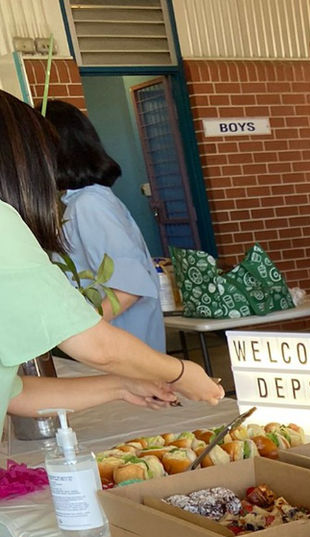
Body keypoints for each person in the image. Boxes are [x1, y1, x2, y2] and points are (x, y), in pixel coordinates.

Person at [0, 90, 223, 422]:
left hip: (124, 350)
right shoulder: (5, 225)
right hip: (109, 349)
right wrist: (182, 372)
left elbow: (14, 393)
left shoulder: (87, 204)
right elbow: (99, 349)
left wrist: (121, 382)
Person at [43, 99, 166, 352]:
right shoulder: (85, 201)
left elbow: (130, 289)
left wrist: (79, 336)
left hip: (122, 360)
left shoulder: (89, 205)